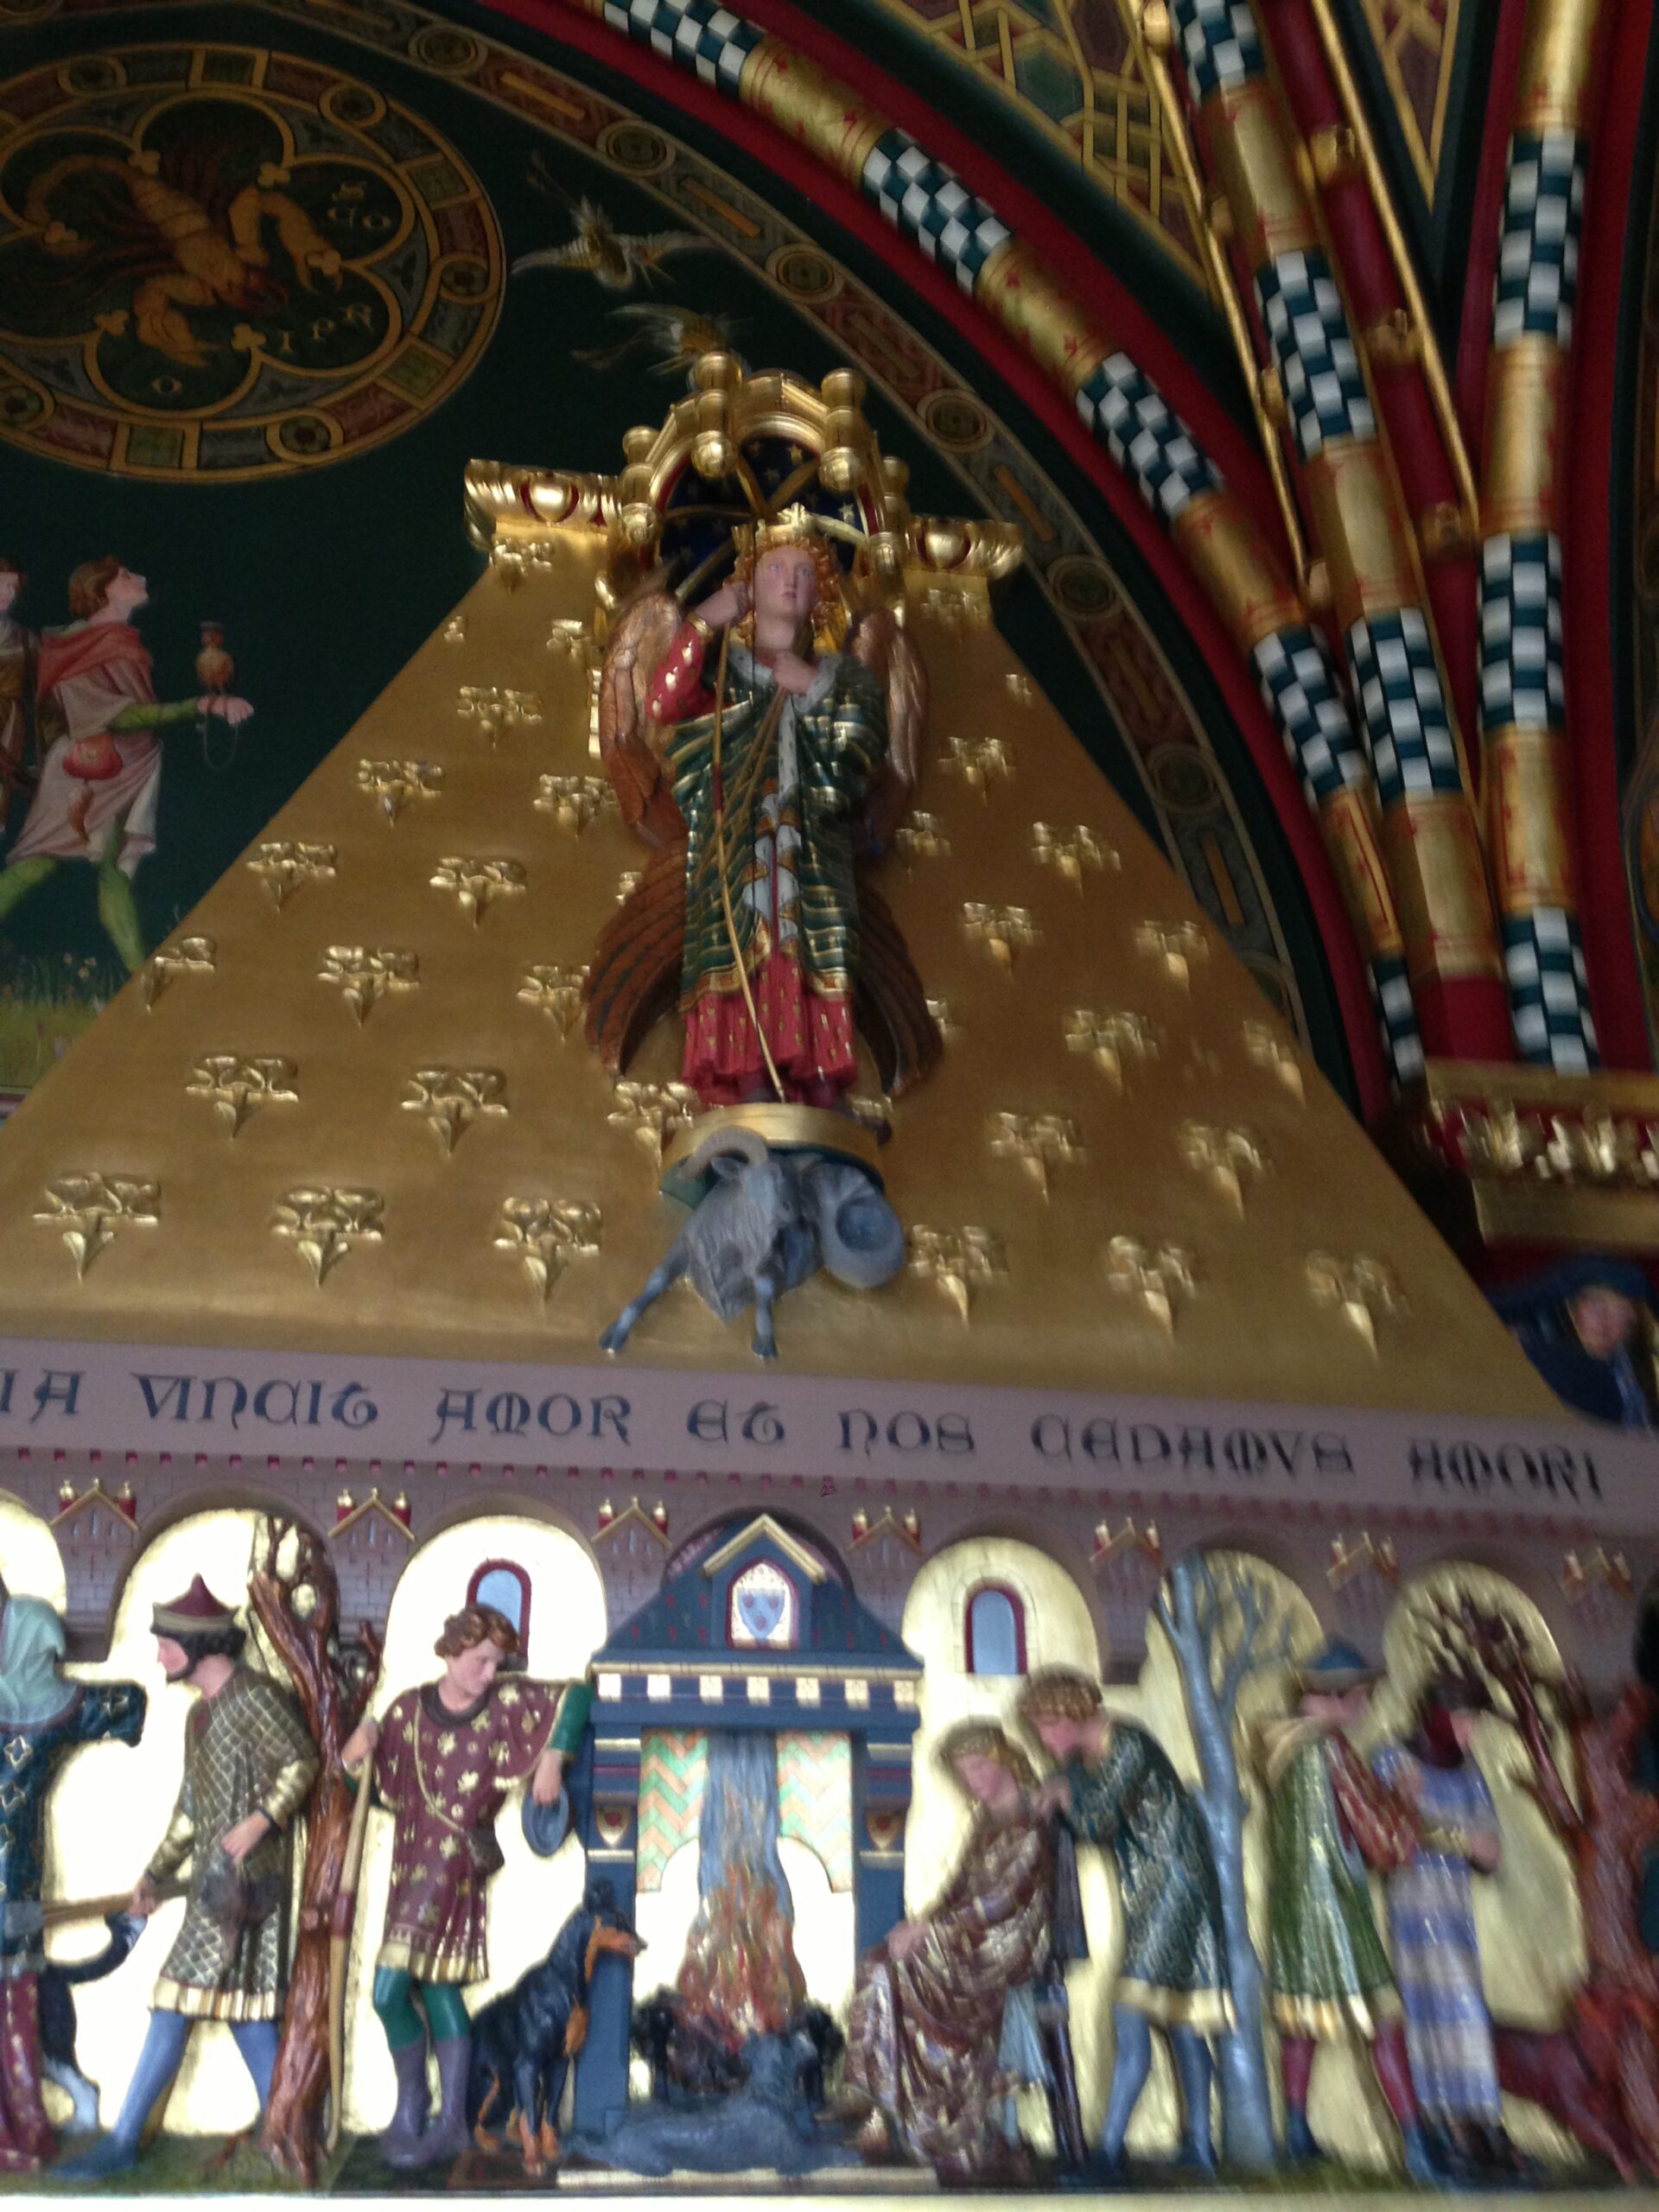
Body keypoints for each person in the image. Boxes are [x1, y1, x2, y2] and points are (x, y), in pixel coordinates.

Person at [60, 1576, 317, 2177]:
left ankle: (124, 2141)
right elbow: (190, 1810)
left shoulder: (257, 1698)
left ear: (202, 1647)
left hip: (247, 1886)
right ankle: (287, 2126)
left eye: (165, 1643)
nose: (158, 1655)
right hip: (213, 1884)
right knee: (246, 2012)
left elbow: (301, 1761)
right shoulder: (200, 1718)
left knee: (175, 1998)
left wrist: (261, 1819)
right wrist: (153, 1874)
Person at [645, 511, 889, 1109]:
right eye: (777, 568)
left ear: (821, 594)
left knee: (816, 942)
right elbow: (664, 703)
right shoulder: (726, 671)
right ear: (749, 586)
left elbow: (864, 742)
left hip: (811, 843)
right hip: (735, 837)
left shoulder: (842, 676)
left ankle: (823, 1079)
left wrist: (814, 687)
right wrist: (703, 622)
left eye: (805, 572)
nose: (790, 581)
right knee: (742, 934)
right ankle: (745, 1072)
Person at [339, 1601, 594, 2168]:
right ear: (453, 1650)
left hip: (455, 1866)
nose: (488, 1674)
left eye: (497, 1664)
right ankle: (424, 2108)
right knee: (422, 1990)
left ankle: (439, 2113)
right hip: (410, 1864)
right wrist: (352, 1758)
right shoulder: (407, 1711)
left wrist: (553, 1758)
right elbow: (378, 1790)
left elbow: (575, 1695)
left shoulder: (503, 1704)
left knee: (404, 1986)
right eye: (481, 1660)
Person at [1019, 1666, 1231, 2174]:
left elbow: (1099, 1818)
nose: (1044, 1739)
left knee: (1131, 2008)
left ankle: (1110, 2148)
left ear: (1071, 1714)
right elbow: (1075, 1790)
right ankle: (1199, 2144)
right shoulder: (1088, 1757)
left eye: (1047, 1727)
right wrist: (1061, 1785)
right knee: (1179, 2018)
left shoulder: (1127, 1744)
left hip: (1176, 1884)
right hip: (1149, 1887)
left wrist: (1062, 1796)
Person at [0, 561, 251, 971]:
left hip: (123, 768)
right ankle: (140, 977)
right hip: (81, 773)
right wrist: (202, 705)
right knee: (36, 865)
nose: (140, 579)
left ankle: (139, 979)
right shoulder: (79, 648)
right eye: (126, 577)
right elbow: (119, 717)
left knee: (113, 872)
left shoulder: (119, 641)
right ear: (101, 592)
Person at [842, 1719, 1054, 2182]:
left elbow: (1002, 1901)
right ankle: (876, 2103)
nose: (972, 1780)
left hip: (1002, 1947)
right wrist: (921, 1922)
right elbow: (958, 1889)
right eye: (963, 1773)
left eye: (978, 1767)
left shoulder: (1031, 1827)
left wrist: (930, 1931)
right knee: (878, 1964)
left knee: (895, 1968)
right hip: (964, 1936)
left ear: (1003, 1759)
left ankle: (924, 2117)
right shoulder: (986, 1822)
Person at [1261, 1641, 1436, 2180]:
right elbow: (1379, 1835)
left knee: (1302, 2023)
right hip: (1338, 1905)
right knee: (1384, 2022)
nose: (1365, 1708)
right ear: (1338, 1697)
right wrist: (1406, 1796)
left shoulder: (1280, 1748)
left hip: (1293, 1910)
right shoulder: (1330, 1748)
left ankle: (1295, 2131)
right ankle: (1417, 2150)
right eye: (1361, 1697)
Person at [0, 1592, 145, 2170]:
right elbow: (127, 1705)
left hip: (15, 1896)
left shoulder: (52, 1709)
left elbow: (125, 1704)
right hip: (18, 1885)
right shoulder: (60, 1710)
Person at [1372, 1675, 1517, 2179]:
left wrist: (1434, 1828)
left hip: (1455, 1914)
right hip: (1412, 1910)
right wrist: (1447, 1834)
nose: (1469, 1733)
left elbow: (1491, 1851)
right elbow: (1390, 1830)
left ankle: (1483, 2118)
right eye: (1462, 1720)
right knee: (1426, 2015)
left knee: (1467, 2010)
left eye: (1473, 1722)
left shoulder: (1468, 1772)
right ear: (1435, 1715)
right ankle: (1445, 2125)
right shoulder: (1393, 1759)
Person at [1493, 1256, 1658, 1427]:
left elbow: (1596, 1388)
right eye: (1596, 1305)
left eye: (1623, 1317)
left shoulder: (1628, 1377)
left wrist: (1530, 1350)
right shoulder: (1542, 1347)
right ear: (1571, 1309)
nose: (1607, 1322)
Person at [0, 561, 35, 835]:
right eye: (2, 583)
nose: (8, 592)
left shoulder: (22, 637)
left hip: (8, 722)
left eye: (13, 586)